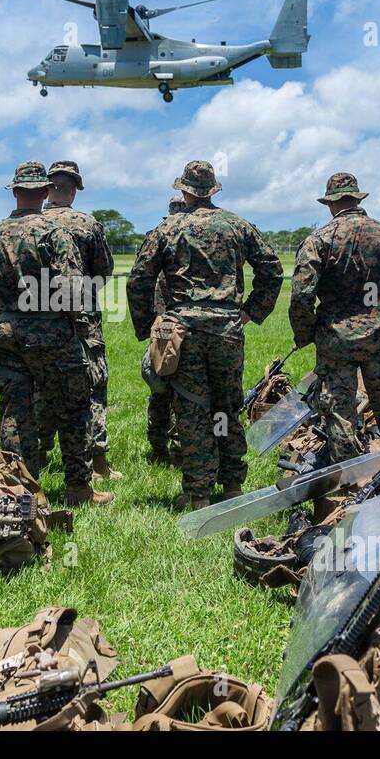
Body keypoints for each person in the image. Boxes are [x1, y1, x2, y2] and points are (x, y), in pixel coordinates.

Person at [127, 161, 282, 509]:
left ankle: (197, 493)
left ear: (183, 190)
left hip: (184, 331)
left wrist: (149, 325)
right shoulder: (236, 225)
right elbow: (271, 269)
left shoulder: (167, 229)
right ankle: (231, 486)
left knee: (193, 409)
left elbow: (139, 278)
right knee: (226, 408)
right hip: (227, 330)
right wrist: (250, 311)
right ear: (212, 190)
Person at [0, 161, 110, 504]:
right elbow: (74, 288)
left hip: (7, 332)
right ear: (43, 191)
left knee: (16, 411)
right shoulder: (55, 233)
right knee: (73, 408)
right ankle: (79, 488)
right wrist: (79, 328)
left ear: (16, 191)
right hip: (52, 332)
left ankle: (22, 488)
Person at [289, 172, 380, 465]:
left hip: (335, 339)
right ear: (357, 199)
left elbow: (301, 296)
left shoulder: (318, 240)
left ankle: (348, 480)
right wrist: (375, 308)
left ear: (330, 203)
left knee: (339, 411)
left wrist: (305, 333)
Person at [36, 160, 120, 479]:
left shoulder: (32, 221)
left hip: (38, 315)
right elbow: (103, 270)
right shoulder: (87, 224)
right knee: (92, 383)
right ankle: (97, 461)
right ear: (73, 190)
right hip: (83, 315)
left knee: (41, 383)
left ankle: (39, 454)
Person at [145, 194, 185, 464]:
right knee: (178, 391)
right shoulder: (183, 238)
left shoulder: (158, 236)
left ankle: (159, 445)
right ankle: (174, 446)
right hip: (180, 326)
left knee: (161, 390)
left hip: (161, 326)